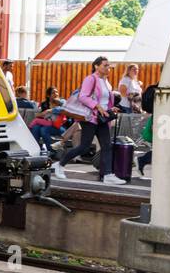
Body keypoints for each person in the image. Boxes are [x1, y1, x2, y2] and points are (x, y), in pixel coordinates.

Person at [53, 55, 125, 184]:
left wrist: (110, 109)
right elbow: (83, 97)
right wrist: (97, 106)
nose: (108, 68)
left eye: (109, 65)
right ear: (96, 66)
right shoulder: (91, 79)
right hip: (90, 118)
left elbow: (104, 101)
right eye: (105, 65)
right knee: (84, 146)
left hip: (102, 118)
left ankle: (108, 175)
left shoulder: (106, 82)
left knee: (107, 146)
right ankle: (60, 164)